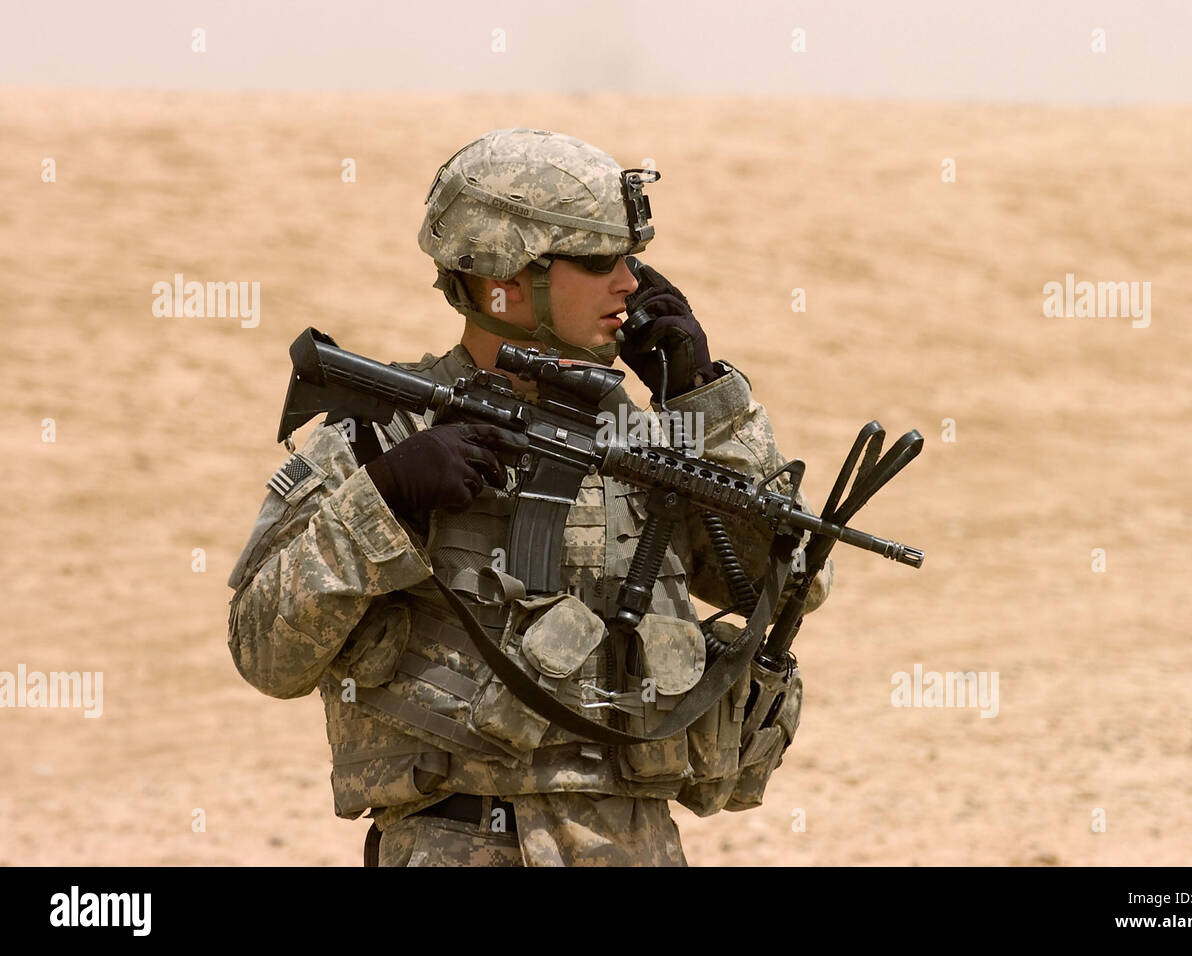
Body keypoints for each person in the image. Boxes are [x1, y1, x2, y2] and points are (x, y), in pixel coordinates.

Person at [226, 127, 831, 866]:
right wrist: (380, 501)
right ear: (502, 278)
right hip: (460, 840)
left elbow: (797, 579)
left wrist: (705, 398)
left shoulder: (651, 440)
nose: (630, 285)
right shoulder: (385, 434)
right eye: (598, 260)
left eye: (631, 260)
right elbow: (263, 651)